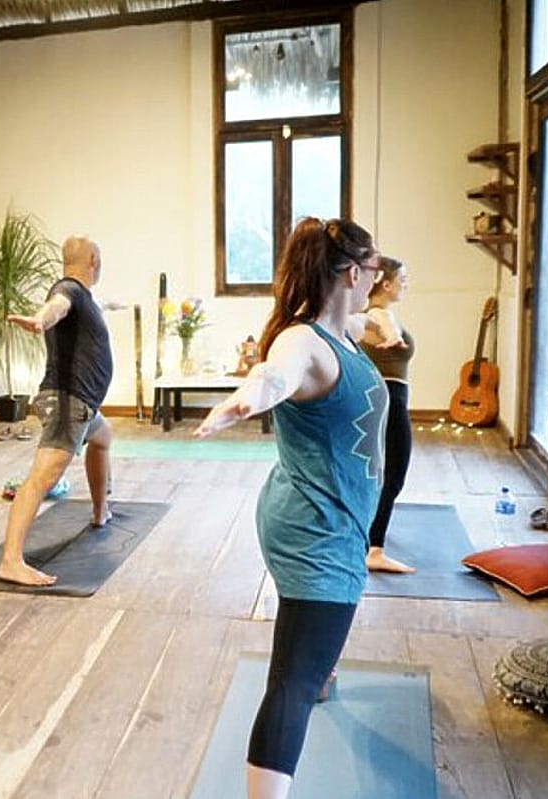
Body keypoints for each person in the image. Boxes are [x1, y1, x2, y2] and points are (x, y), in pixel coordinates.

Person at [195, 217, 387, 799]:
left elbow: (360, 323)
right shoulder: (304, 341)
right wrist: (241, 402)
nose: (377, 280)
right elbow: (274, 374)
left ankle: (321, 669)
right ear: (353, 273)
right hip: (314, 527)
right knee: (290, 685)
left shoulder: (345, 331)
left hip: (324, 514)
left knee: (309, 651)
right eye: (373, 269)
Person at [0, 235, 114, 587]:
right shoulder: (69, 290)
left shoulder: (86, 300)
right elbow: (57, 306)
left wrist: (110, 307)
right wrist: (40, 320)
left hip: (82, 404)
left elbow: (72, 311)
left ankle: (100, 512)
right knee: (41, 478)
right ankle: (10, 562)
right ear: (93, 259)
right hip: (68, 403)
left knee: (103, 438)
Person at [357, 256, 415, 573]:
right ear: (386, 283)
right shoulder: (377, 313)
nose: (406, 284)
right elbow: (383, 321)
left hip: (384, 399)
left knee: (380, 473)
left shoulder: (370, 314)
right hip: (390, 400)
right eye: (402, 279)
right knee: (394, 473)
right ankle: (373, 550)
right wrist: (392, 335)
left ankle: (367, 539)